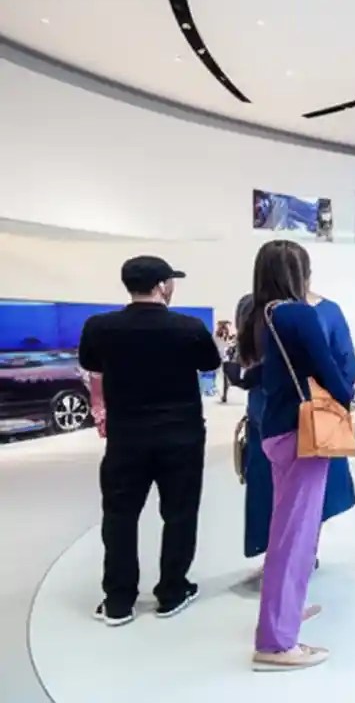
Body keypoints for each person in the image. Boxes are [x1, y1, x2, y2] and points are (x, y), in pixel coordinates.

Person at [78, 255, 221, 626]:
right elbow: (210, 364)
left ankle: (118, 601)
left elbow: (91, 364)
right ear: (161, 285)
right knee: (179, 513)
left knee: (120, 516)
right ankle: (172, 591)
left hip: (126, 438)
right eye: (171, 281)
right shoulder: (188, 327)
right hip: (182, 437)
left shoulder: (99, 327)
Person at [238, 240, 354, 671]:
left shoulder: (258, 314)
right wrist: (345, 395)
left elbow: (250, 375)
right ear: (299, 272)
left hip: (274, 430)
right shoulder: (298, 314)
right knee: (295, 537)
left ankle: (284, 614)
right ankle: (275, 642)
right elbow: (333, 374)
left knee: (286, 531)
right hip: (303, 433)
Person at [236, 287, 355, 574]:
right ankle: (296, 563)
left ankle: (279, 560)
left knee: (272, 491)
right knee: (306, 500)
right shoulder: (319, 311)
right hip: (308, 415)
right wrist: (343, 401)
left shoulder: (252, 307)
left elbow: (245, 363)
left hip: (266, 415)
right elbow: (344, 364)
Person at [215, 320, 237, 403]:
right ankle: (223, 395)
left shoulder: (230, 337)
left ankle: (224, 395)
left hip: (226, 360)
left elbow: (232, 346)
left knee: (225, 378)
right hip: (220, 359)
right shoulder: (216, 337)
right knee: (222, 377)